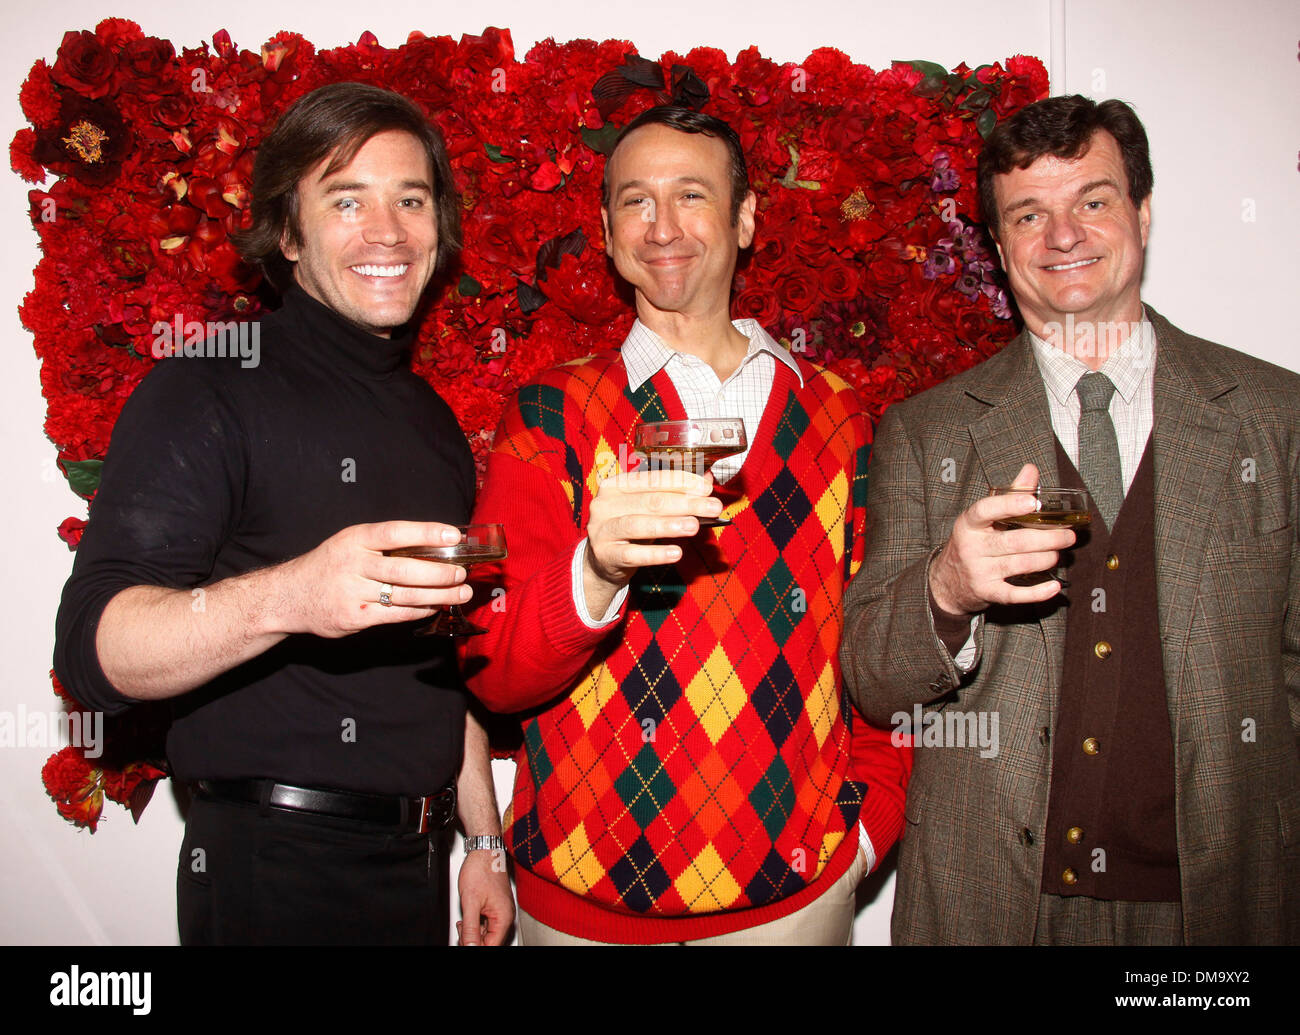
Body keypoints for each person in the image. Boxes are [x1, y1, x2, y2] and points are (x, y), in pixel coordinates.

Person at [53, 82, 513, 946]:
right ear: (290, 233)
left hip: (417, 864)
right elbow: (91, 653)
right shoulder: (208, 387)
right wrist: (292, 596)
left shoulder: (435, 426)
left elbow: (441, 664)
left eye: (411, 199)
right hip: (274, 866)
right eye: (348, 200)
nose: (388, 230)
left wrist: (481, 839)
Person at [841, 94, 1299, 945]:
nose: (1063, 235)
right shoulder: (924, 430)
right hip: (998, 903)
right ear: (999, 243)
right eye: (1028, 214)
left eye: (1092, 200)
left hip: (1218, 905)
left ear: (1143, 213)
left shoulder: (1276, 417)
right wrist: (945, 586)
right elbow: (872, 681)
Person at [460, 106, 910, 944]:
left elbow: (883, 646)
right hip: (576, 916)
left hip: (795, 910)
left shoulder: (841, 416)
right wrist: (593, 571)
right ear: (604, 228)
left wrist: (868, 830)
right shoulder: (551, 411)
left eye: (692, 195)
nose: (662, 226)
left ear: (744, 219)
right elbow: (491, 672)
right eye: (636, 200)